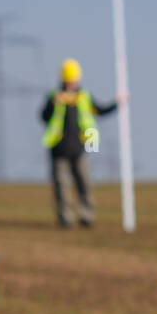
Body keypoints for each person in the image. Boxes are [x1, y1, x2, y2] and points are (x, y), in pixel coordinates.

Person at [40, 58, 118, 227]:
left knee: (84, 183)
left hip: (80, 149)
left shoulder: (84, 97)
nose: (71, 84)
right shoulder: (54, 96)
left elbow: (99, 110)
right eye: (68, 80)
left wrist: (117, 103)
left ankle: (87, 216)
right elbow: (44, 117)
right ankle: (65, 218)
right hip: (58, 149)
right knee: (61, 186)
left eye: (73, 80)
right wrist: (54, 104)